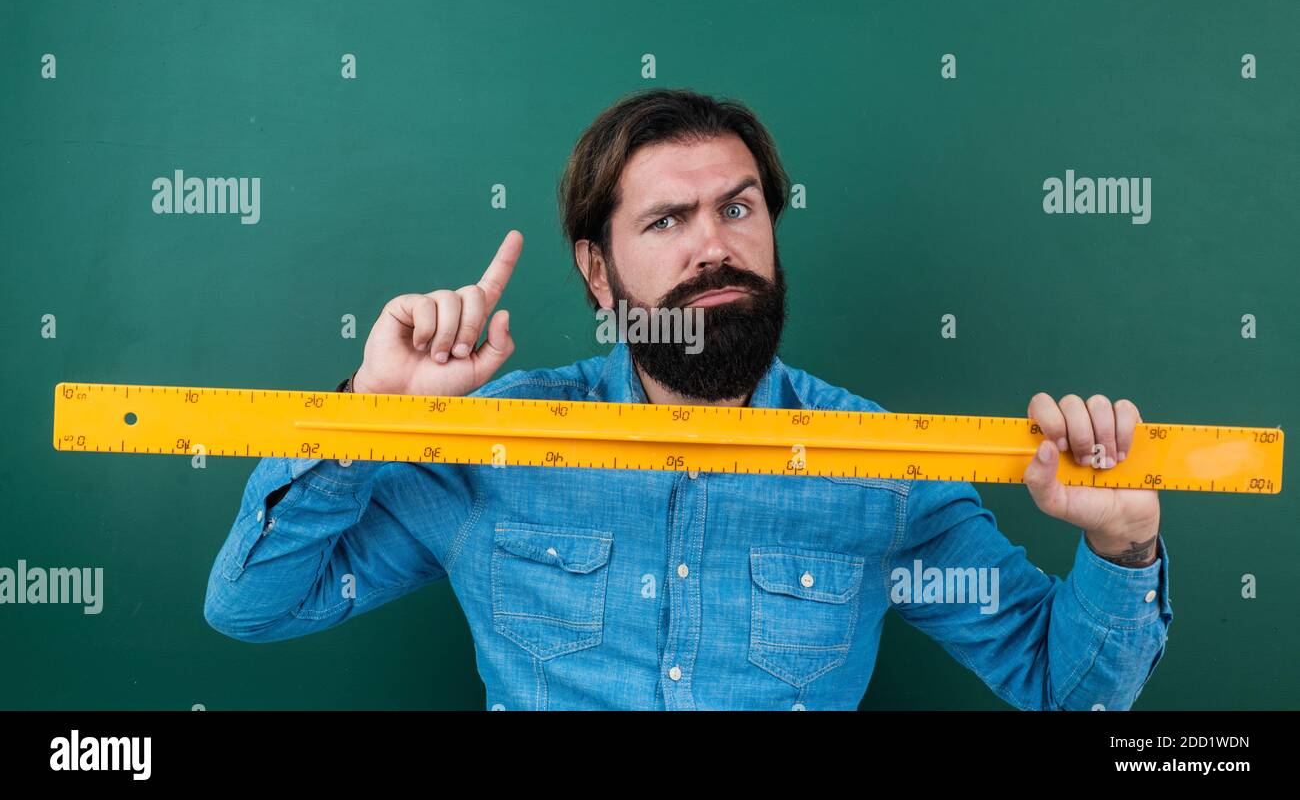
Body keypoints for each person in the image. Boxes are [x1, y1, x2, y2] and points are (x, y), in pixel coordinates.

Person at [203, 87, 1171, 710]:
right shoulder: (488, 448)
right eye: (668, 219)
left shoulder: (883, 469)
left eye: (738, 208)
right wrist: (368, 413)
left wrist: (1118, 547)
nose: (716, 245)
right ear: (596, 269)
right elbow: (252, 604)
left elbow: (1061, 684)